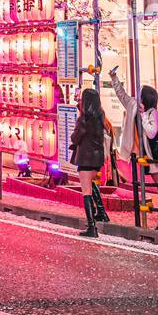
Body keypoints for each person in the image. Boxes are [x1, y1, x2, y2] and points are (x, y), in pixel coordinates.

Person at [109, 65, 158, 231]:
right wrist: (114, 78)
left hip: (155, 156)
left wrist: (143, 116)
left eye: (140, 96)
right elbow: (122, 95)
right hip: (144, 156)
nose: (136, 98)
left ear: (146, 100)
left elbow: (151, 133)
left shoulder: (154, 114)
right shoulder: (133, 105)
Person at [70, 87, 109, 237]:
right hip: (97, 159)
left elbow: (75, 138)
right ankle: (101, 212)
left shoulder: (84, 120)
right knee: (91, 185)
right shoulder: (100, 117)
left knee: (86, 191)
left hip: (85, 159)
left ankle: (92, 227)